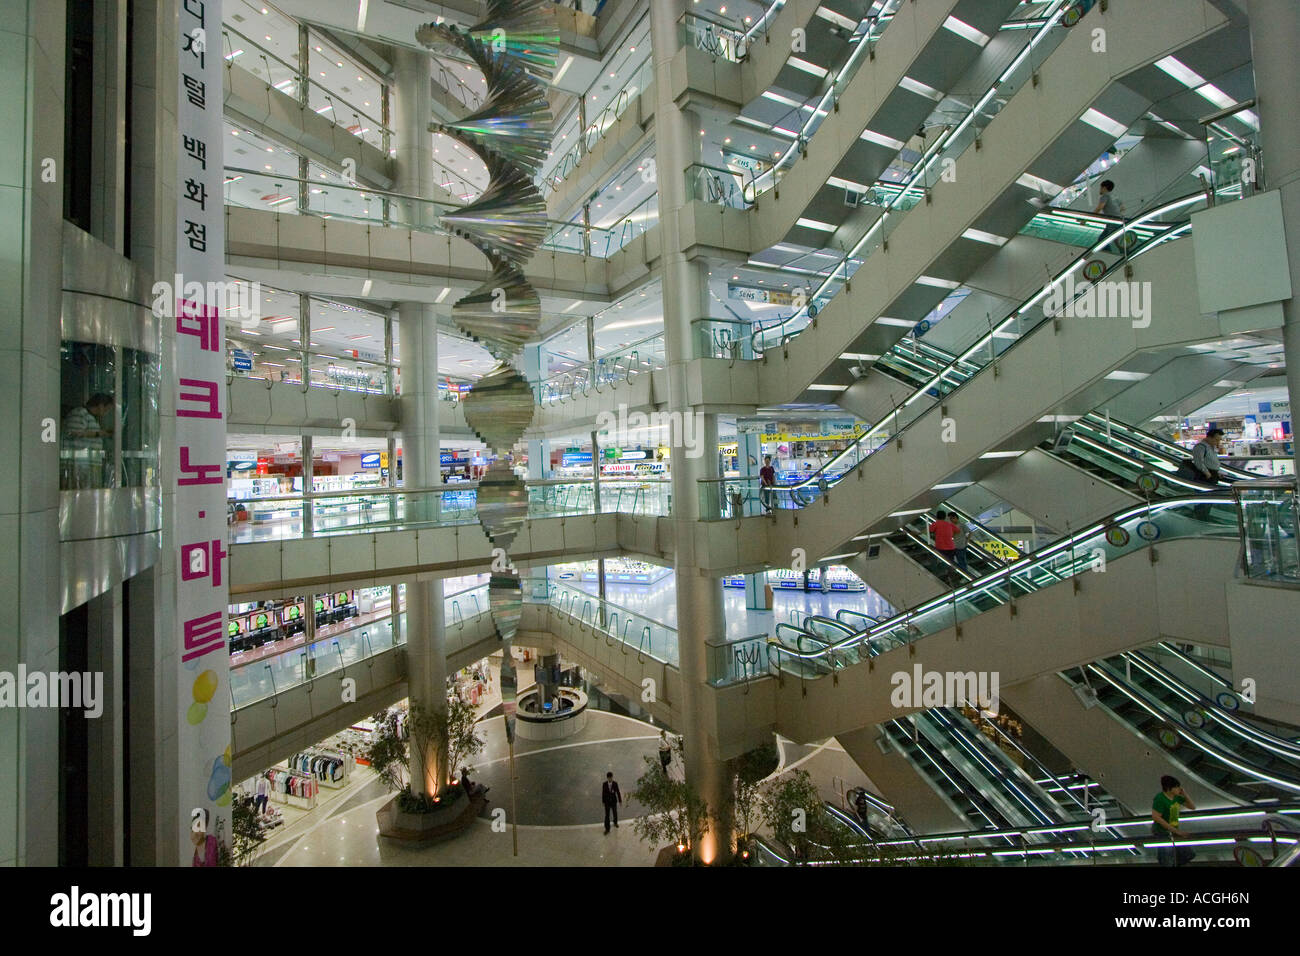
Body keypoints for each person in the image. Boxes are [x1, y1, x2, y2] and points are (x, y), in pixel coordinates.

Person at [61, 393, 115, 488]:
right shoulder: (80, 413)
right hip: (79, 464)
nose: (106, 413)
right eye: (107, 409)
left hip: (89, 464)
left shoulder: (92, 418)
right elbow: (74, 432)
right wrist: (99, 433)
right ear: (101, 406)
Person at [1152, 775, 1196, 866]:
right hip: (1162, 831)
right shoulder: (1160, 799)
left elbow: (1192, 807)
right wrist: (1175, 830)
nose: (1179, 789)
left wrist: (1185, 794)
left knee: (1188, 853)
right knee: (1166, 857)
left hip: (1174, 829)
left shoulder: (1176, 798)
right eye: (1176, 787)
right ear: (1169, 788)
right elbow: (1156, 817)